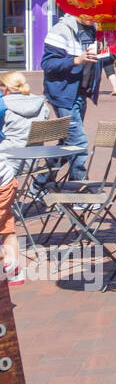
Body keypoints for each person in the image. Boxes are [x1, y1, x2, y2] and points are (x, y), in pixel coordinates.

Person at [0, 71, 54, 285]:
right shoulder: (41, 103)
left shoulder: (3, 104)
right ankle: (14, 268)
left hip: (8, 160)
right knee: (6, 223)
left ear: (5, 87)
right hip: (32, 161)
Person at [41, 14, 101, 182]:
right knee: (79, 143)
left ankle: (40, 182)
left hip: (81, 94)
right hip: (63, 95)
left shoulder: (94, 30)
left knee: (67, 144)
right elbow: (47, 64)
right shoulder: (62, 29)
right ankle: (80, 190)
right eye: (87, 11)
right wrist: (76, 60)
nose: (92, 16)